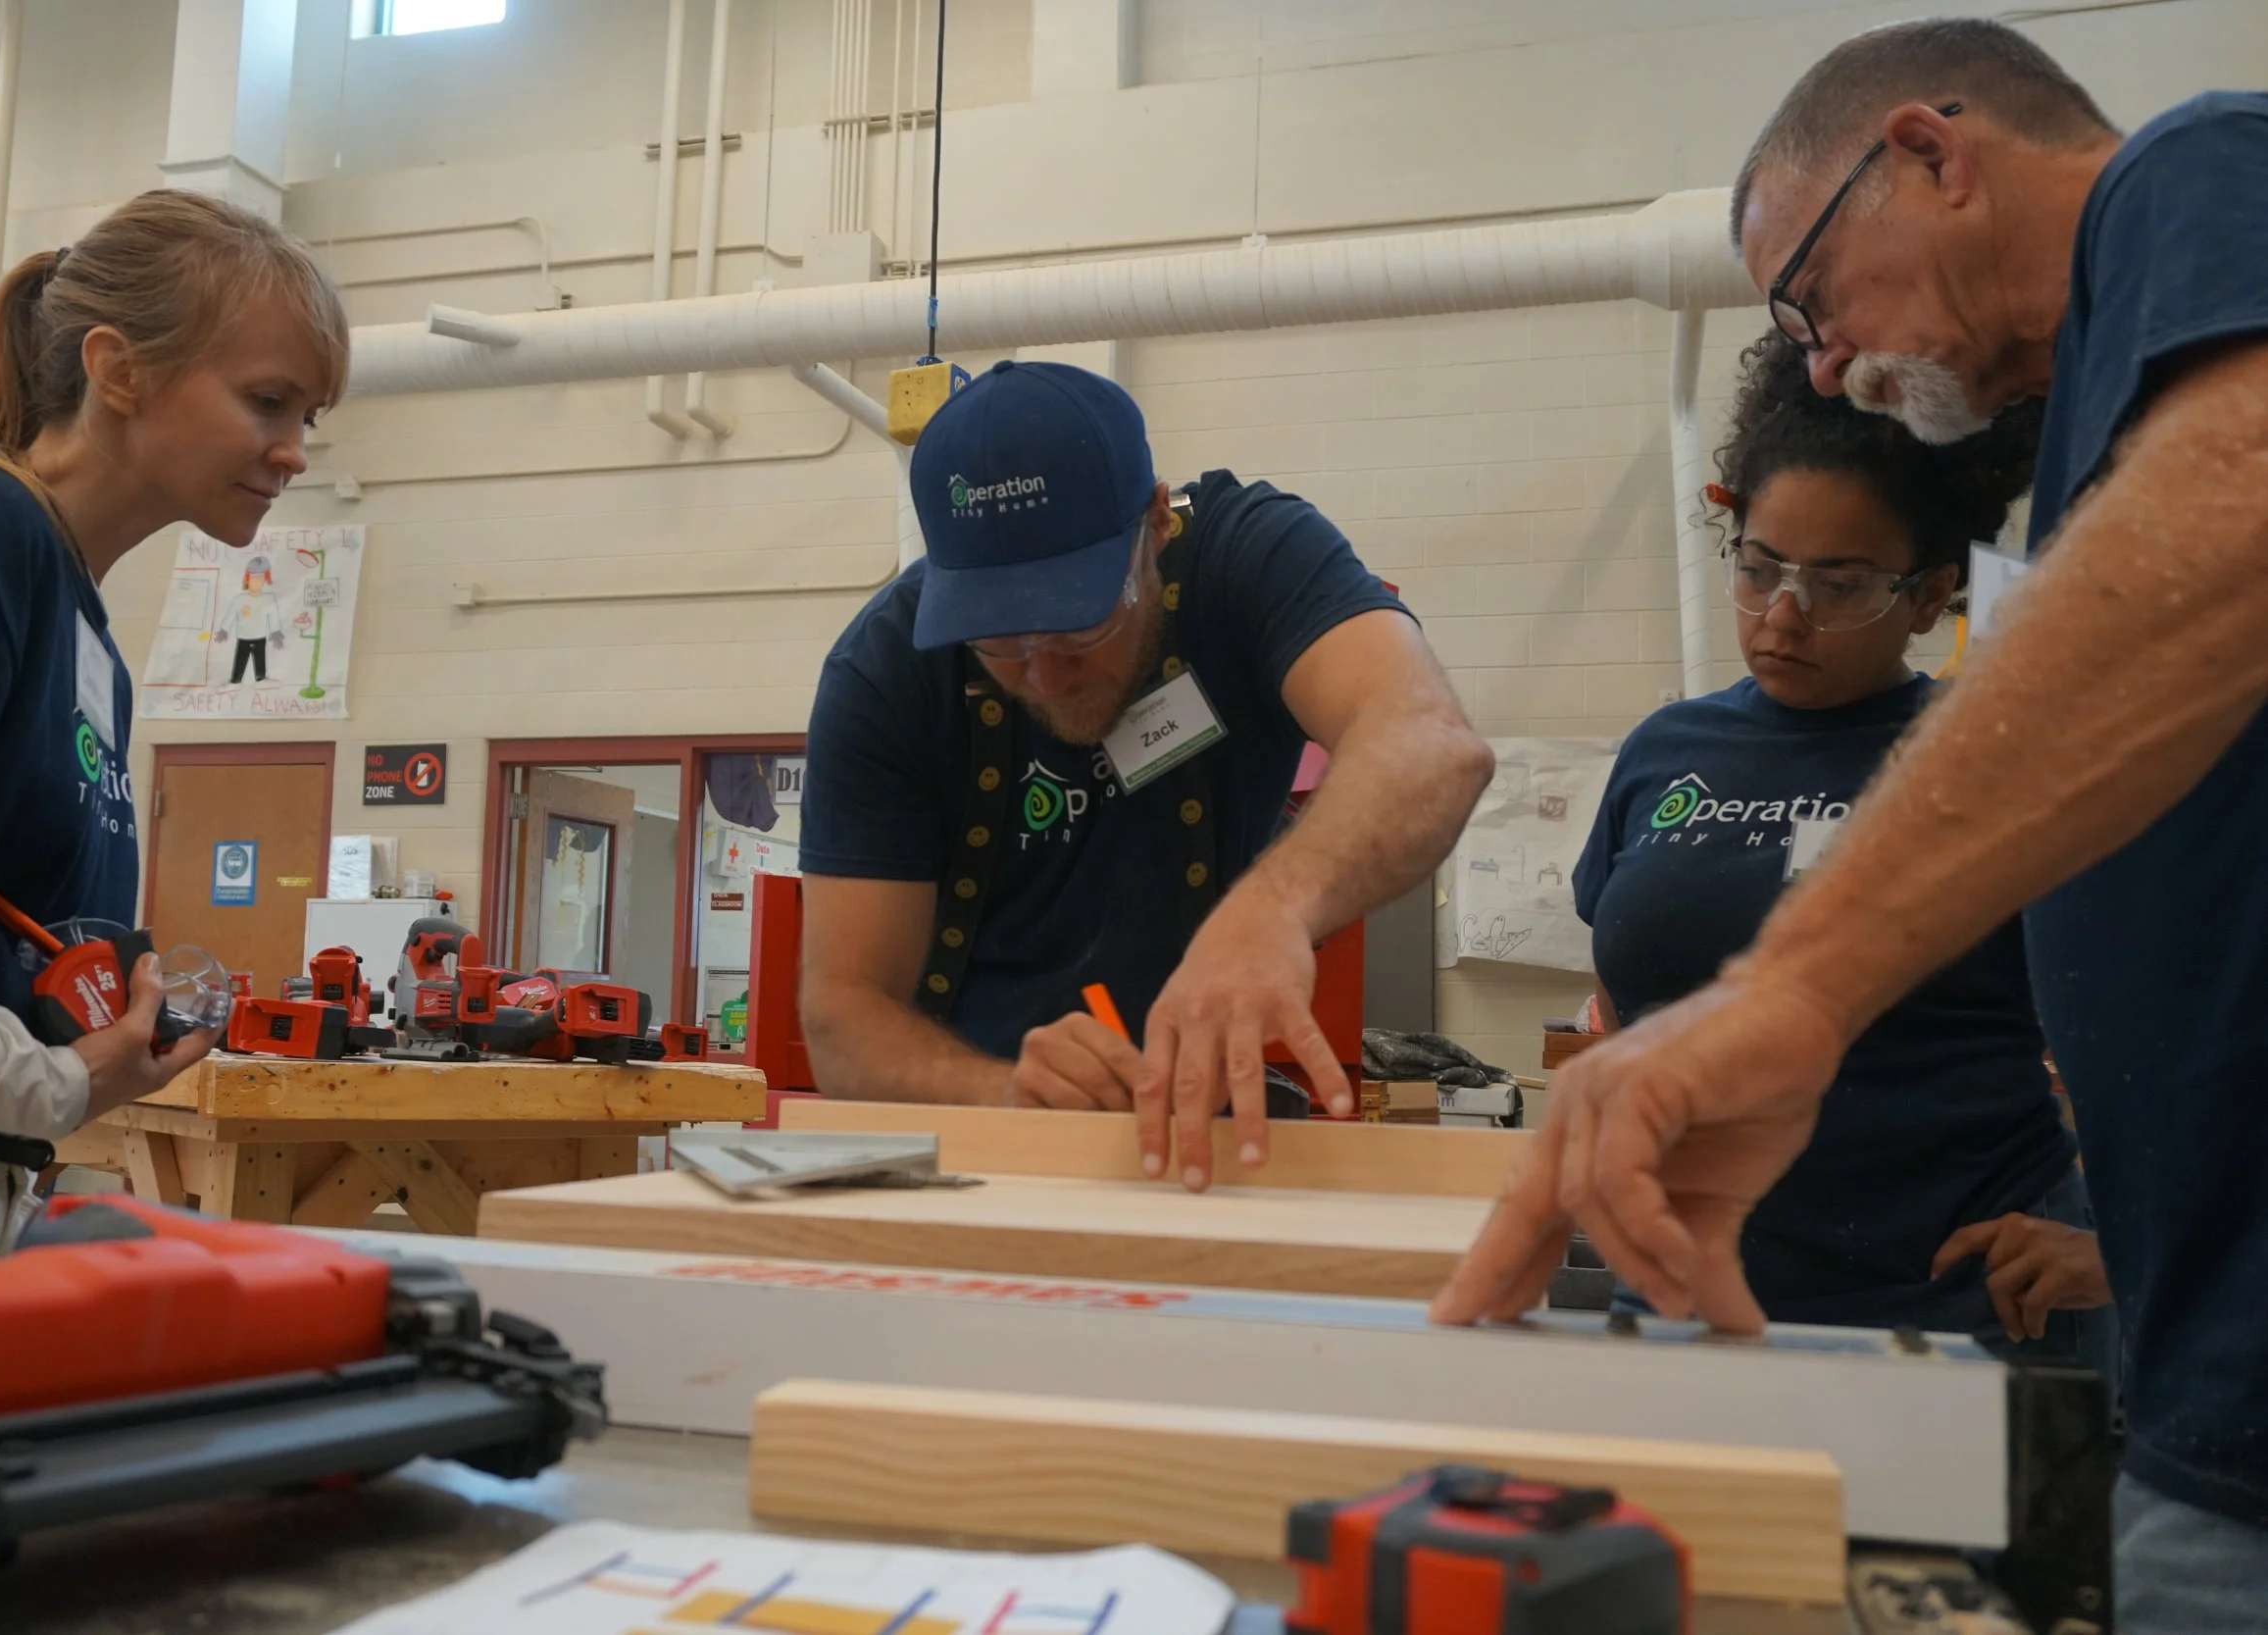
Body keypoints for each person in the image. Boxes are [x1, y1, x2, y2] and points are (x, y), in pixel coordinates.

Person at [1437, 20, 2268, 1622]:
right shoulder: (2100, 419)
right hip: (2203, 1382)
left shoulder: (2197, 175)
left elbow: (2237, 506)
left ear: (1933, 158)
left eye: (1812, 301)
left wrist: (1796, 983)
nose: (1818, 366)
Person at [799, 361, 1493, 1189]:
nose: (1044, 674)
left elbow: (1430, 741)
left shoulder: (1248, 555)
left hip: (1208, 1146)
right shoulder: (886, 669)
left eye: (1079, 625)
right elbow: (843, 1017)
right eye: (999, 642)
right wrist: (1007, 1093)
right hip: (984, 1153)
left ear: (1156, 521)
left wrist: (1269, 910)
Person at [0, 189, 348, 1266]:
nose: (293, 452)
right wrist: (48, 1079)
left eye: (309, 420)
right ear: (119, 370)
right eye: (267, 402)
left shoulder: (85, 629)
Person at [1577, 329, 2108, 1357]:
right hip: (1689, 1296)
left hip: (1961, 1305)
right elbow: (1629, 997)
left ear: (1925, 593)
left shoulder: (1998, 758)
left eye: (1838, 583)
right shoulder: (1665, 752)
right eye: (1761, 566)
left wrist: (2125, 1239)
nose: (1782, 615)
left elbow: (2164, 1014)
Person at [218, 554, 286, 683]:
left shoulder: (268, 599)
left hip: (260, 637)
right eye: (254, 577)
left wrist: (275, 631)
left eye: (261, 578)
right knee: (240, 662)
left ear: (266, 579)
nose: (257, 581)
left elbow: (274, 616)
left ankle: (261, 680)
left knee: (260, 663)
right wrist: (224, 629)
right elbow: (231, 614)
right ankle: (235, 681)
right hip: (243, 638)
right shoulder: (240, 599)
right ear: (247, 578)